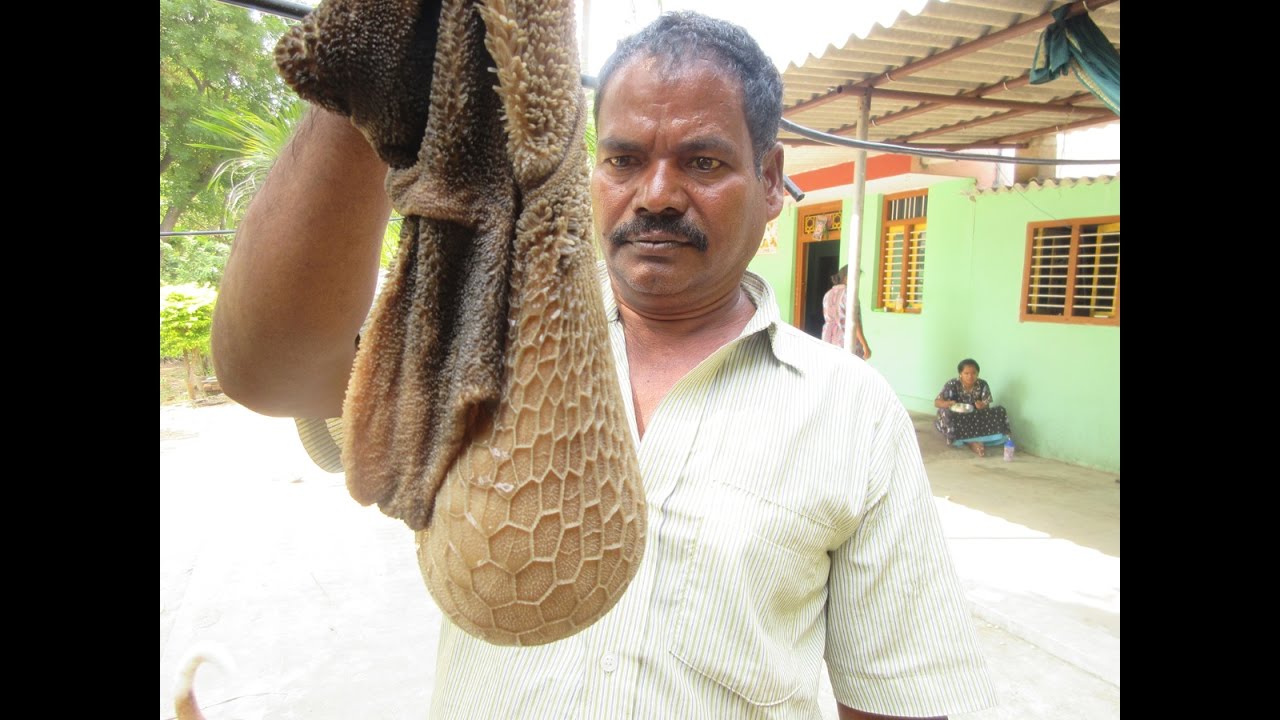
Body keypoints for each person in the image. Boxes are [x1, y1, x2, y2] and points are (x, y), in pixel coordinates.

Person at [212, 11, 995, 720]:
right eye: (623, 158)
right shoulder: (487, 329)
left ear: (769, 180)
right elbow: (272, 374)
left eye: (703, 162)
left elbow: (893, 701)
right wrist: (374, 66)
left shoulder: (851, 413)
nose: (656, 194)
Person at [934, 359, 1013, 457]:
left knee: (1000, 410)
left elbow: (986, 407)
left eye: (973, 373)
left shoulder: (982, 384)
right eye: (966, 373)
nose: (970, 376)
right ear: (960, 374)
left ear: (977, 374)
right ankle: (970, 442)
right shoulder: (952, 384)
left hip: (974, 417)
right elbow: (937, 403)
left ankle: (975, 440)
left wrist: (982, 405)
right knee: (946, 413)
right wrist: (948, 403)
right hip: (957, 416)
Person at [820, 264, 871, 359]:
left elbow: (827, 317)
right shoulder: (850, 294)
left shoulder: (828, 294)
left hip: (827, 340)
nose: (857, 282)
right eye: (857, 278)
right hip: (845, 341)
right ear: (847, 278)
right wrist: (865, 345)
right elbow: (855, 321)